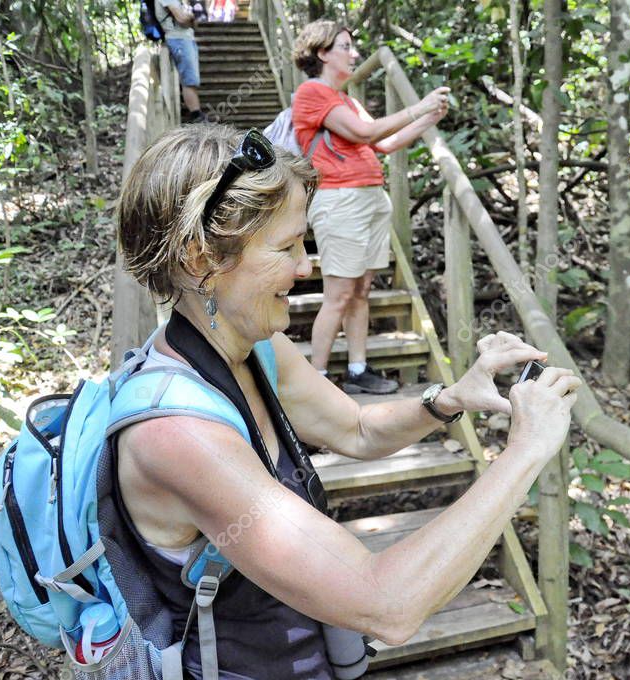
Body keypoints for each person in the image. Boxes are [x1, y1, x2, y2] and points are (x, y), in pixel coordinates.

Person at [113, 124, 580, 678]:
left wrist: (450, 398)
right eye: (286, 247)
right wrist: (526, 451)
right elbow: (388, 604)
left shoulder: (256, 347)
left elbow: (357, 427)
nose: (306, 266)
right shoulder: (177, 436)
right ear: (199, 260)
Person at [291, 20, 451, 394]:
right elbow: (364, 132)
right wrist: (418, 107)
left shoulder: (348, 100)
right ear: (322, 53)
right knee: (339, 295)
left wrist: (429, 117)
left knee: (361, 290)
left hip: (371, 198)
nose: (354, 54)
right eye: (346, 47)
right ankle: (316, 381)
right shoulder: (311, 92)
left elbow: (385, 142)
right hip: (340, 200)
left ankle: (357, 370)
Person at [155, 0, 206, 123]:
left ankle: (196, 114)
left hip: (185, 38)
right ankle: (196, 115)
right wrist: (191, 16)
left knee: (192, 79)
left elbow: (193, 23)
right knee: (189, 80)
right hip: (178, 39)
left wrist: (189, 18)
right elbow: (182, 19)